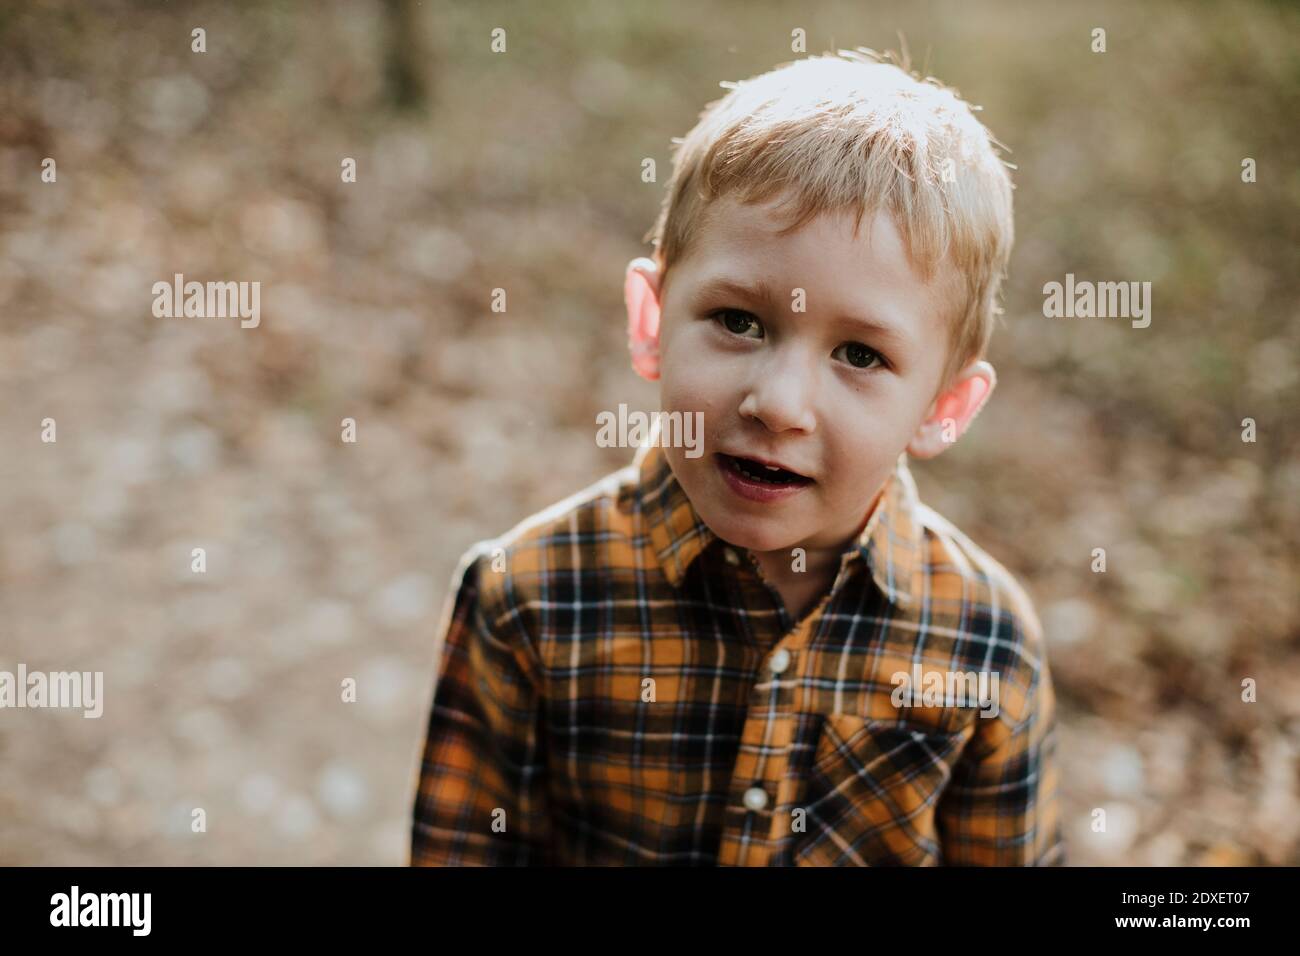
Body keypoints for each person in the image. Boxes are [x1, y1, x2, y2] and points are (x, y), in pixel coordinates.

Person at [410, 48, 1064, 866]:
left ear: (942, 409)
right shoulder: (528, 602)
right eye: (739, 322)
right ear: (651, 322)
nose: (779, 404)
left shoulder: (986, 646)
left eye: (860, 356)